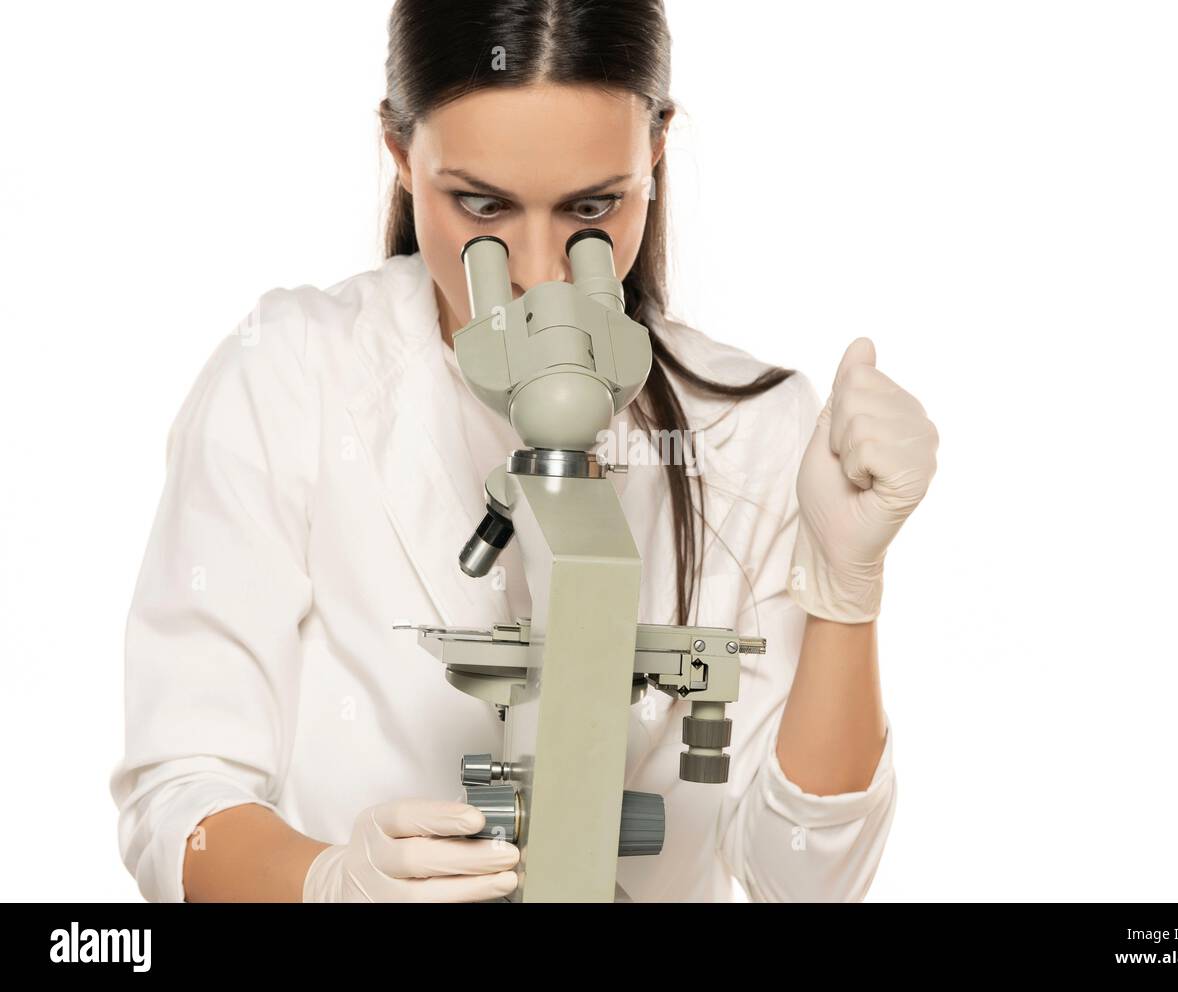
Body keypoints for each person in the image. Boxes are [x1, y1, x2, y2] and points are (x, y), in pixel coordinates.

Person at [109, 0, 938, 903]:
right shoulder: (291, 376)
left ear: (655, 152)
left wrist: (846, 594)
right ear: (398, 153)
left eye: (591, 207)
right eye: (481, 205)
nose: (540, 272)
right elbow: (177, 795)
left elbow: (803, 883)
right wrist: (327, 885)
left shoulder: (754, 425)